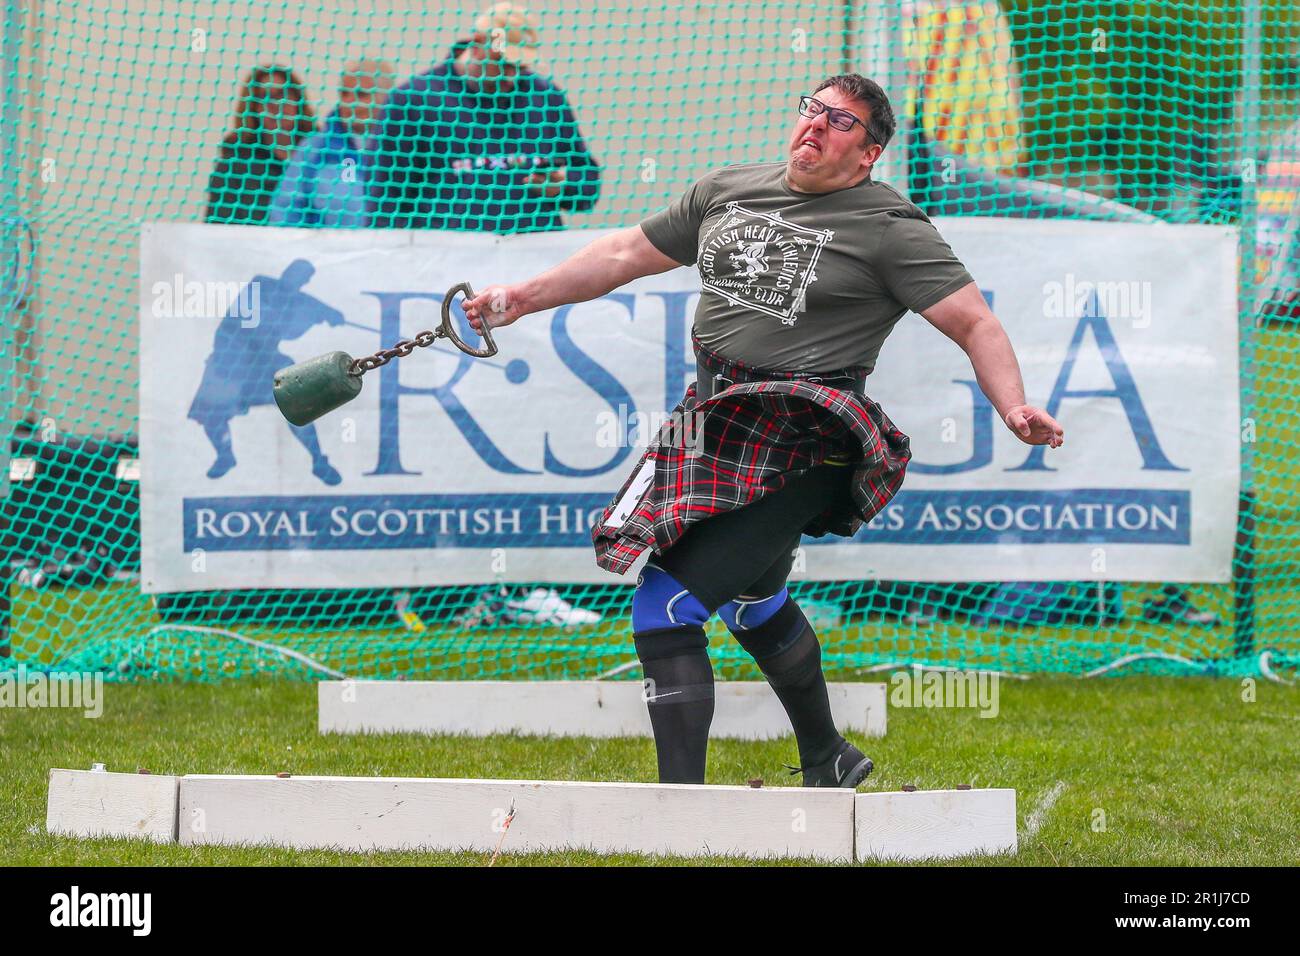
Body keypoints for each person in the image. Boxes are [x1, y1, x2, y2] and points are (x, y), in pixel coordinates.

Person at [462, 74, 1064, 786]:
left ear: (868, 153)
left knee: (667, 604)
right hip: (716, 424)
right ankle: (829, 758)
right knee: (754, 602)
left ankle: (677, 814)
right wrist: (520, 299)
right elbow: (625, 254)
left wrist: (1013, 405)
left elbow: (974, 321)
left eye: (839, 122)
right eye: (812, 109)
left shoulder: (890, 228)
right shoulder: (727, 189)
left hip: (806, 437)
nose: (814, 126)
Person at [367, 2, 600, 232]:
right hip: (446, 263)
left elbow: (589, 182)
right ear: (477, 44)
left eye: (520, 66)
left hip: (536, 263)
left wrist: (563, 186)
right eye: (504, 64)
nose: (513, 76)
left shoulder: (546, 98)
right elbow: (383, 201)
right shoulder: (412, 100)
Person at [268, 61, 396, 228]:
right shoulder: (315, 148)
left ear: (385, 98)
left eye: (361, 94)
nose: (349, 102)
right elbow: (285, 212)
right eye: (344, 94)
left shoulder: (404, 148)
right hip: (327, 252)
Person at [206, 66, 318, 224]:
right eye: (264, 97)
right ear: (253, 109)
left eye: (282, 94)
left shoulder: (323, 153)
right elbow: (217, 227)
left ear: (298, 100)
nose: (275, 105)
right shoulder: (235, 165)